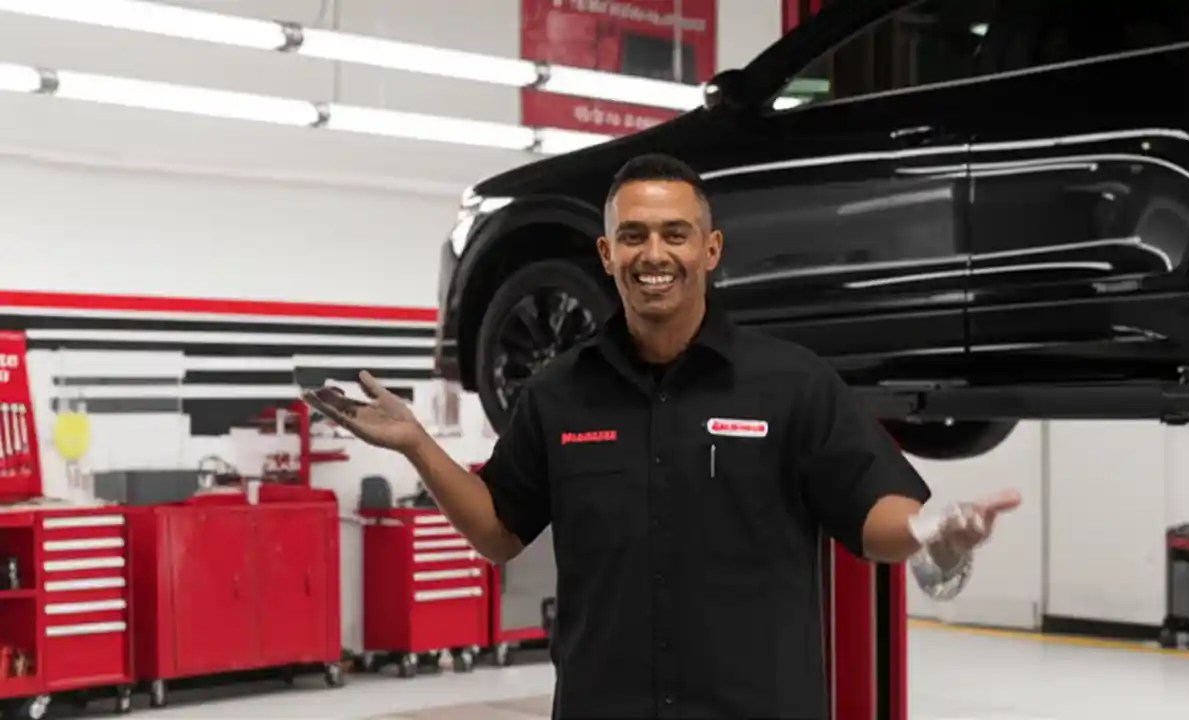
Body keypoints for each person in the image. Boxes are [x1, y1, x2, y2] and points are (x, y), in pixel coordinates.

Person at [303, 154, 1021, 719]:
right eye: (633, 236)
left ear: (709, 249)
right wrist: (419, 446)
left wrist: (933, 533)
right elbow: (498, 530)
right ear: (606, 254)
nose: (655, 254)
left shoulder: (792, 383)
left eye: (675, 234)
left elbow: (872, 518)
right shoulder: (557, 392)